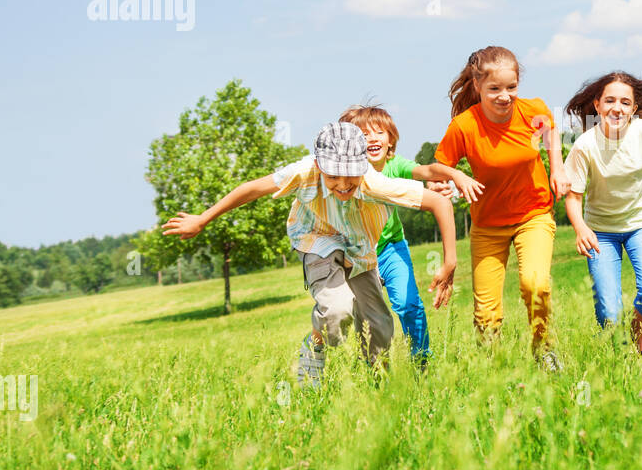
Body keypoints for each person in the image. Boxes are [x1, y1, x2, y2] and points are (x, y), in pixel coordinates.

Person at [162, 121, 457, 385]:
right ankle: (314, 345)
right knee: (338, 310)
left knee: (380, 328)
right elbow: (251, 189)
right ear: (319, 164)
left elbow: (439, 204)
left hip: (360, 248)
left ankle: (378, 386)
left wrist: (450, 262)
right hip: (316, 240)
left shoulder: (372, 181)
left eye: (350, 176)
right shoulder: (304, 172)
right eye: (333, 176)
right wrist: (202, 219)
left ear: (362, 165)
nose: (343, 185)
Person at [435, 46, 568, 370]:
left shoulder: (534, 111)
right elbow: (438, 167)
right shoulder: (464, 126)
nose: (504, 96)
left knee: (535, 284)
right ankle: (492, 371)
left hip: (533, 215)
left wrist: (557, 167)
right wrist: (443, 182)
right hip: (488, 225)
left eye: (511, 87)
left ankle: (544, 349)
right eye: (494, 88)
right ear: (477, 86)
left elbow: (551, 133)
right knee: (486, 311)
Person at [339, 105, 483, 367]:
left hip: (391, 247)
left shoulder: (395, 165)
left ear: (390, 138)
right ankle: (374, 370)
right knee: (365, 317)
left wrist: (453, 175)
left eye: (379, 132)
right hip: (356, 255)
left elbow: (427, 171)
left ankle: (422, 362)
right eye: (364, 134)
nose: (373, 138)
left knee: (408, 305)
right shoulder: (345, 173)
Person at [563, 72, 642, 366]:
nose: (617, 107)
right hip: (600, 232)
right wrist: (580, 228)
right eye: (610, 100)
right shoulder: (585, 145)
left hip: (641, 226)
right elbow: (573, 196)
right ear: (597, 104)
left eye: (625, 102)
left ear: (633, 108)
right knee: (607, 315)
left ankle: (637, 323)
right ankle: (620, 356)